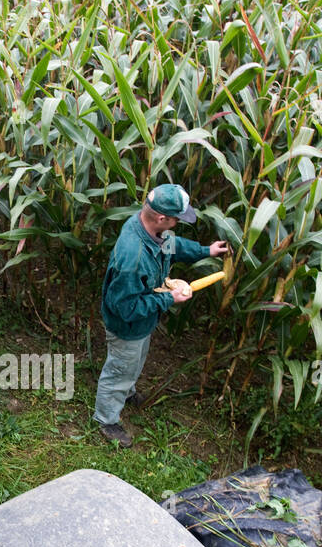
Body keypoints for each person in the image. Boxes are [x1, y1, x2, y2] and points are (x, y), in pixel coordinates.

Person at [94, 183, 229, 446]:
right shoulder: (133, 257)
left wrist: (206, 251)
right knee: (120, 368)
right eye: (177, 218)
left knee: (135, 360)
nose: (178, 222)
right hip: (127, 325)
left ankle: (128, 391)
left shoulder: (153, 230)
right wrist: (169, 297)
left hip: (143, 324)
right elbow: (125, 308)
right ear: (162, 218)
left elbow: (173, 245)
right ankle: (106, 419)